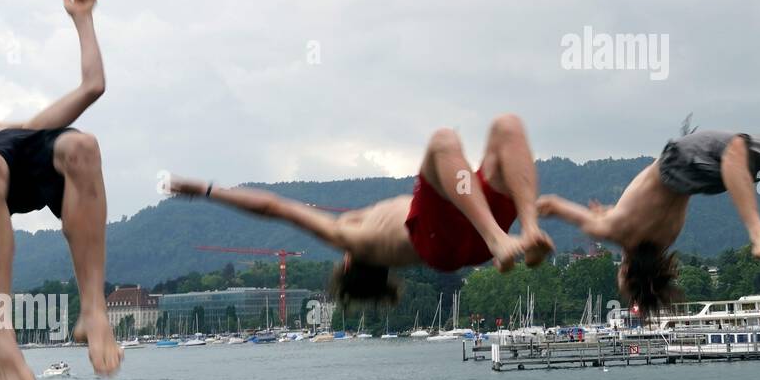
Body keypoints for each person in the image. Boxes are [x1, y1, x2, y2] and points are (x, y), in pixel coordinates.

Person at [168, 114, 553, 303]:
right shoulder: (352, 237)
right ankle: (506, 236)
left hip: (469, 237)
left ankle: (529, 230)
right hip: (467, 237)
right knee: (442, 141)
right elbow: (274, 207)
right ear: (349, 261)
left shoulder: (372, 232)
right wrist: (206, 190)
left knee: (507, 126)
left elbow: (276, 207)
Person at [0, 0, 120, 380]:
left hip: (23, 143)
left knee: (83, 146)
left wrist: (84, 19)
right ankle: (1, 336)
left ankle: (93, 308)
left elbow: (93, 87)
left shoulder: (27, 130)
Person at [538, 129, 760, 316]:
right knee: (755, 153)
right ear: (624, 267)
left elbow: (643, 211)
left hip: (700, 178)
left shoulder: (660, 237)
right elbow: (551, 204)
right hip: (685, 163)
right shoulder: (614, 230)